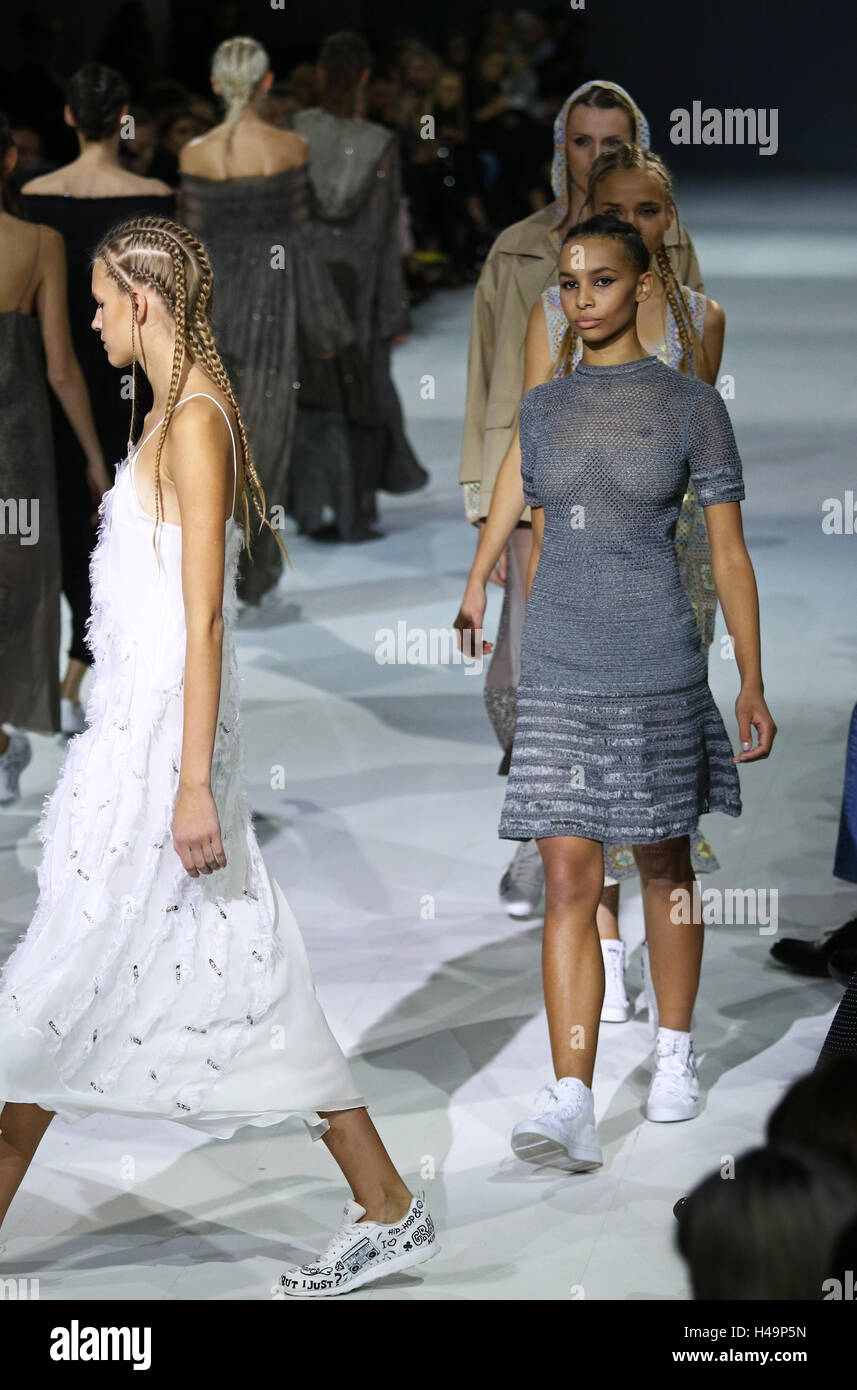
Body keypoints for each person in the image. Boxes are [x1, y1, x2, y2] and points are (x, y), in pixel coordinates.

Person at [0, 214, 438, 1298]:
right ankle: (388, 1205)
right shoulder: (170, 418)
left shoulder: (192, 424)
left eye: (102, 301)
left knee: (57, 994)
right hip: (137, 753)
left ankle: (390, 1207)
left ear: (141, 303)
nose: (92, 319)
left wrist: (192, 784)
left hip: (164, 764)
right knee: (228, 975)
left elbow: (203, 622)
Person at [457, 213, 775, 1162]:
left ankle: (673, 1053)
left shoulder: (688, 406)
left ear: (641, 286)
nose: (581, 298)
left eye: (601, 280)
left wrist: (750, 680)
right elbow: (517, 489)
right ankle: (570, 1092)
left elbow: (727, 553)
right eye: (569, 282)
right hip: (558, 658)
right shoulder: (547, 405)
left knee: (665, 868)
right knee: (567, 874)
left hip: (654, 660)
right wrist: (476, 579)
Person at [458, 80, 703, 922]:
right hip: (540, 499)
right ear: (558, 149)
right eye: (581, 143)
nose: (595, 158)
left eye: (612, 143)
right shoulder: (520, 255)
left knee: (632, 698)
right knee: (519, 677)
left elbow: (688, 387)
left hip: (648, 515)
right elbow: (494, 385)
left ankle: (616, 855)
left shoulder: (667, 258)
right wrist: (481, 503)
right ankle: (550, 837)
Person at [534, 143, 727, 1024]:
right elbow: (528, 444)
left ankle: (672, 1020)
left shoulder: (700, 323)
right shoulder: (556, 334)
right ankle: (605, 962)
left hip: (667, 556)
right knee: (581, 827)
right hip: (581, 571)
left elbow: (690, 449)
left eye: (650, 211)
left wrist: (745, 671)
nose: (583, 297)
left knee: (661, 819)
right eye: (620, 208)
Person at [179, 36, 364, 597]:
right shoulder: (290, 148)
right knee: (264, 437)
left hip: (213, 304)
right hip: (273, 301)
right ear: (265, 83)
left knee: (212, 437)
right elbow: (302, 241)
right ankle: (253, 574)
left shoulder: (193, 153)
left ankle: (217, 568)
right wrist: (324, 321)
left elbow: (187, 243)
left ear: (214, 83)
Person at [20, 61, 173, 736]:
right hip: (132, 381)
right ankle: (104, 666)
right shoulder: (156, 196)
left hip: (53, 380)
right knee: (130, 525)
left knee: (66, 522)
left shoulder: (33, 195)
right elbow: (170, 309)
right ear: (124, 118)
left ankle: (81, 663)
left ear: (68, 117)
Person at [0, 111, 106, 798]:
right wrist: (95, 458)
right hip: (19, 454)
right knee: (18, 590)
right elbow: (63, 368)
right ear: (10, 160)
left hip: (20, 446)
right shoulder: (38, 243)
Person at [290, 31, 429, 541]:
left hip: (305, 281)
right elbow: (382, 234)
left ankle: (316, 507)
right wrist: (393, 310)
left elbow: (288, 220)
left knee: (314, 394)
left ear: (321, 72)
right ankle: (356, 511)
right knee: (362, 391)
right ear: (367, 78)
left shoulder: (294, 134)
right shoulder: (379, 144)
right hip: (360, 287)